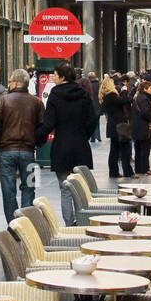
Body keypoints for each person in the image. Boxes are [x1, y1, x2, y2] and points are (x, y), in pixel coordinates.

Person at [36, 62, 96, 224]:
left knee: (65, 190)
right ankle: (82, 221)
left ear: (62, 77)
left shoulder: (55, 94)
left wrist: (37, 139)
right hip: (81, 147)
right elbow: (92, 119)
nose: (53, 77)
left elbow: (49, 122)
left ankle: (70, 224)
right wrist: (84, 135)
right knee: (80, 188)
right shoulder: (83, 94)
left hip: (61, 147)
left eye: (55, 75)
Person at [0, 68, 45, 223]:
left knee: (8, 191)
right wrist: (36, 142)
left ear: (14, 83)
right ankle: (25, 222)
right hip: (28, 152)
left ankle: (13, 225)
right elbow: (42, 127)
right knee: (29, 187)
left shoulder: (2, 101)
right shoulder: (36, 102)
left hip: (7, 152)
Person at [99, 73, 133, 180]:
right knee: (124, 149)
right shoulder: (111, 96)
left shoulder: (106, 97)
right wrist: (123, 91)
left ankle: (113, 172)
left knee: (114, 150)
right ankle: (128, 172)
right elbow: (125, 101)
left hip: (113, 126)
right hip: (119, 125)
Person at [131, 80, 151, 176]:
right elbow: (145, 112)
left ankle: (139, 168)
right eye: (150, 88)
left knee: (138, 148)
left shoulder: (138, 97)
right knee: (145, 148)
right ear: (145, 89)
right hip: (143, 126)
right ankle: (145, 168)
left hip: (137, 126)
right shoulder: (144, 98)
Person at [87, 71, 102, 141]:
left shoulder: (87, 85)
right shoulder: (99, 84)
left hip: (90, 106)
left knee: (91, 122)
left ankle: (93, 138)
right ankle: (98, 136)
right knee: (97, 122)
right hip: (98, 105)